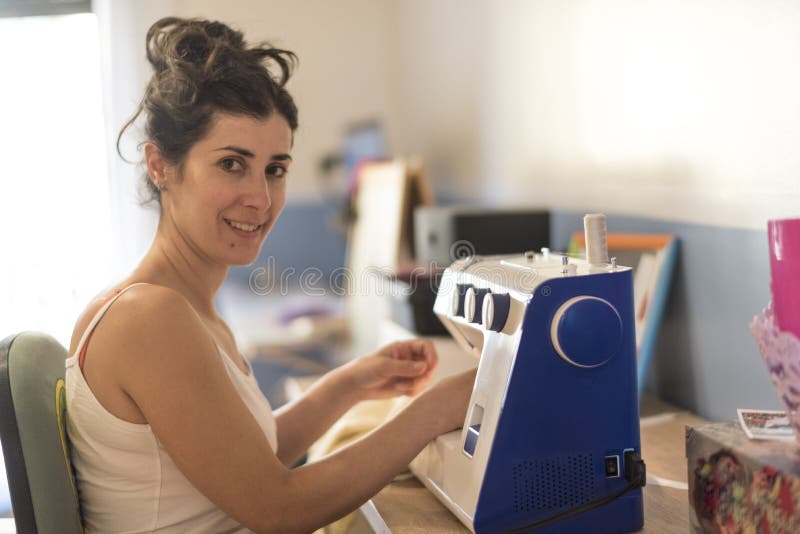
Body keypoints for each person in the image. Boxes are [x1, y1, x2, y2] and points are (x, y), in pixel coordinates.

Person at [66, 16, 476, 534]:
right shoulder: (150, 319)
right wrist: (434, 411)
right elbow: (278, 507)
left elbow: (250, 459)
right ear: (160, 166)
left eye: (275, 169)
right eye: (232, 165)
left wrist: (351, 383)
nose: (260, 199)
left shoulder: (184, 307)